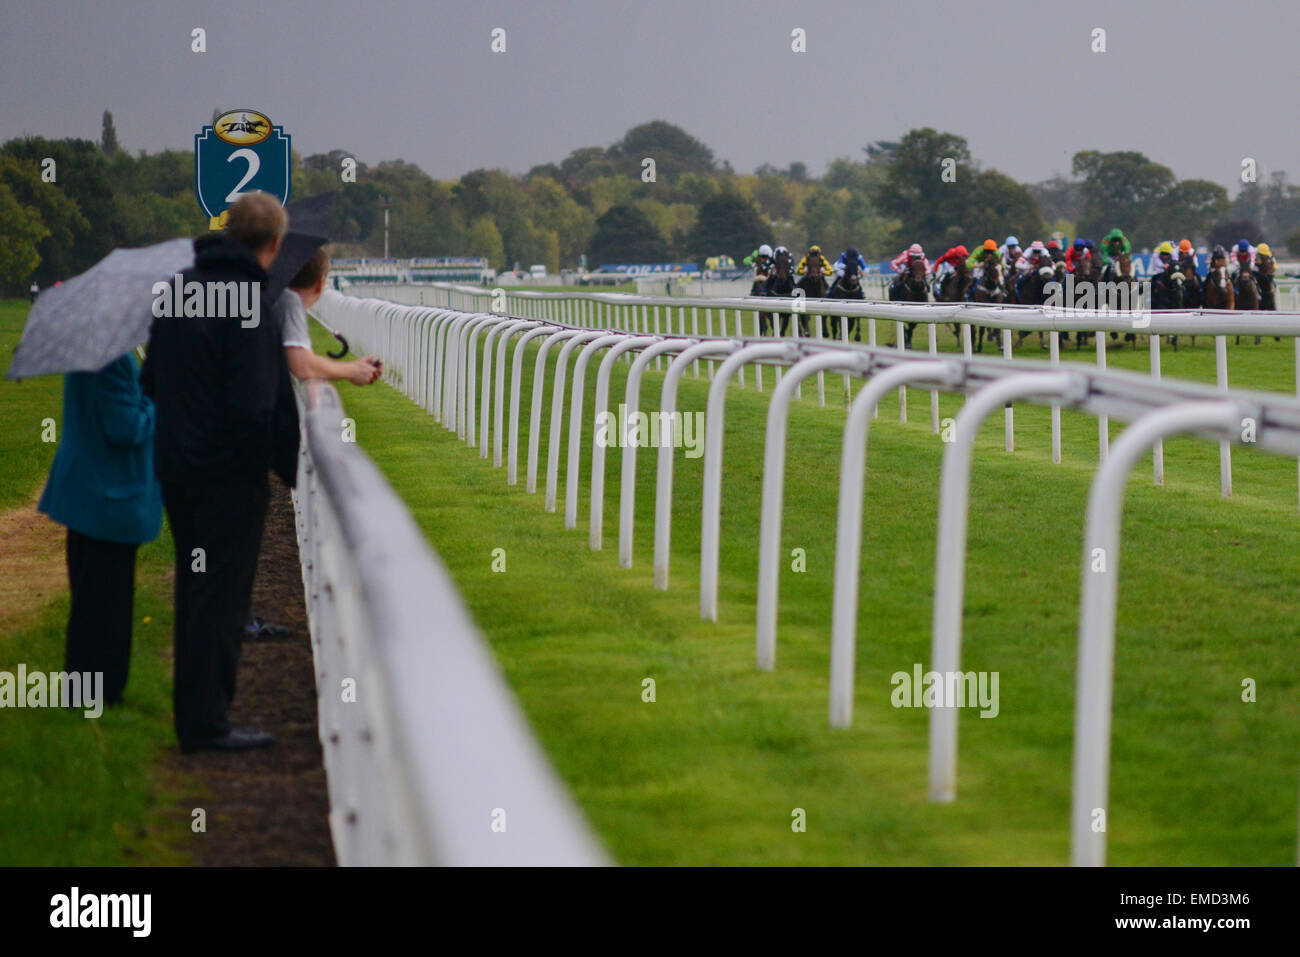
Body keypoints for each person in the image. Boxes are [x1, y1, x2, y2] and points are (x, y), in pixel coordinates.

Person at [141, 192, 298, 754]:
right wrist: (280, 467)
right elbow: (257, 403)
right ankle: (207, 723)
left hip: (178, 470)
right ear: (274, 245)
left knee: (194, 588)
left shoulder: (179, 288)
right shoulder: (255, 298)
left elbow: (152, 379)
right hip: (229, 477)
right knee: (222, 599)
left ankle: (196, 717)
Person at [38, 352, 162, 707]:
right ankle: (101, 692)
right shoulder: (112, 358)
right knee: (107, 601)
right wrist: (158, 400)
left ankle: (84, 689)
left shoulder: (92, 350)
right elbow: (126, 426)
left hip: (88, 493)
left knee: (92, 597)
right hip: (105, 497)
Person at [277, 250, 382, 386]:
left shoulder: (257, 290)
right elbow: (302, 365)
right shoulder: (290, 301)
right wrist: (354, 370)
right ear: (321, 284)